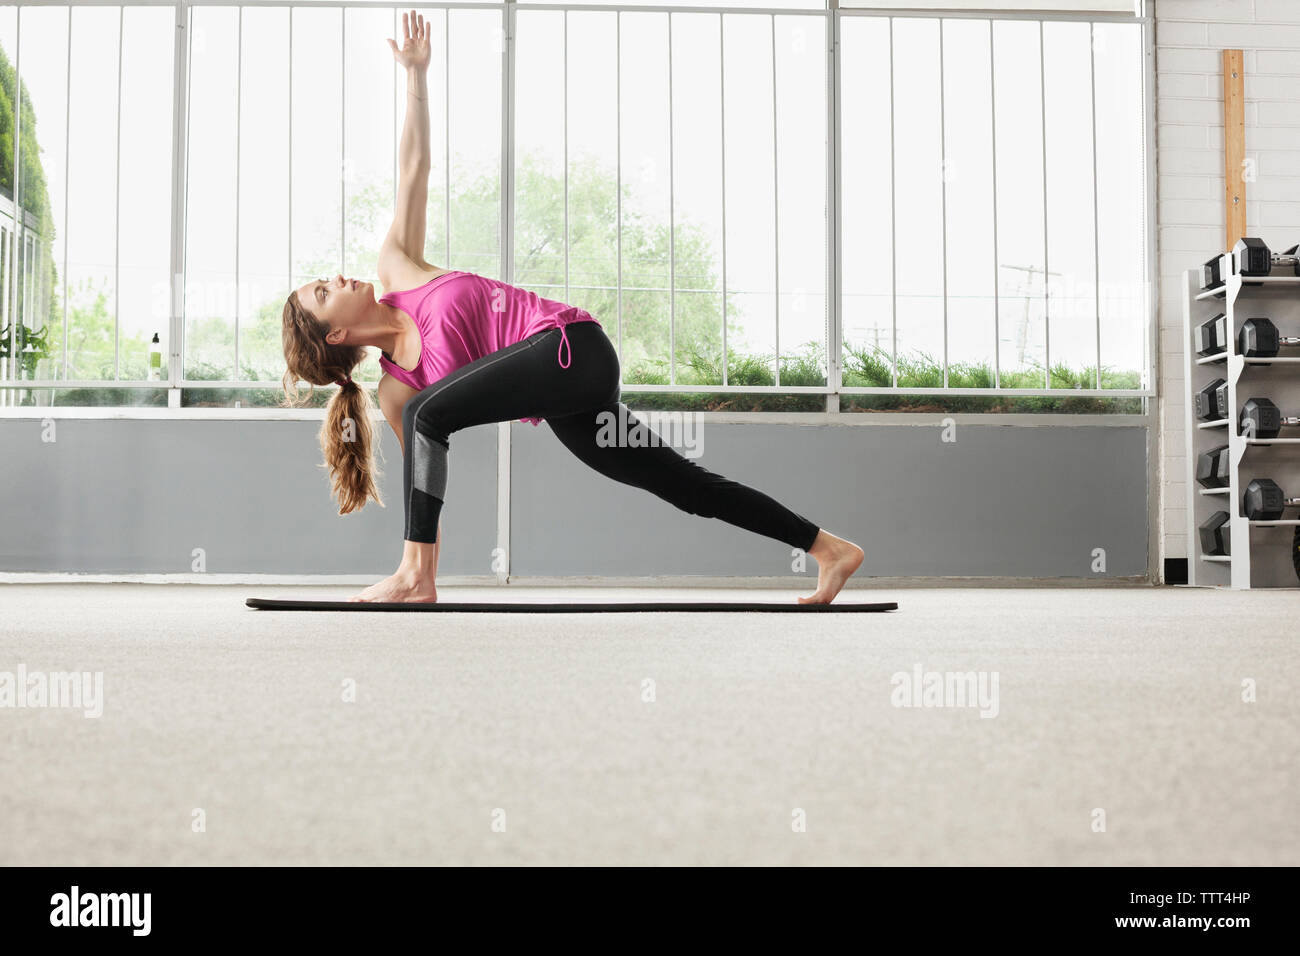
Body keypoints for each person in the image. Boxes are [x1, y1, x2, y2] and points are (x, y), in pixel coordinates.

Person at [280, 11, 863, 604]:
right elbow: (420, 481)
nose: (336, 277)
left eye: (323, 280)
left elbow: (413, 168)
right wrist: (419, 532)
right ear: (335, 336)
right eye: (324, 293)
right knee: (683, 485)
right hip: (567, 400)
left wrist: (415, 77)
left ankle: (415, 579)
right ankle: (829, 549)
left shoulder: (399, 267)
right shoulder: (398, 392)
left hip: (572, 350)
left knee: (434, 412)